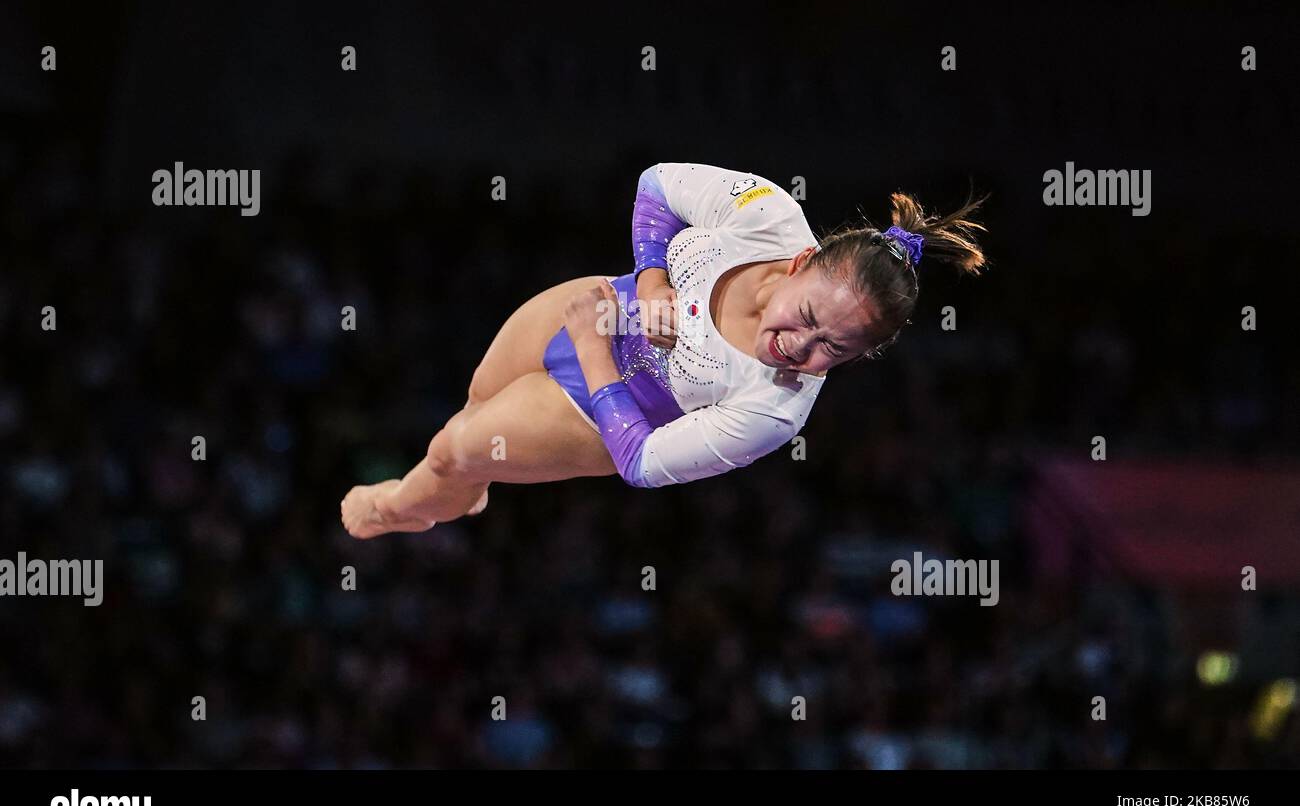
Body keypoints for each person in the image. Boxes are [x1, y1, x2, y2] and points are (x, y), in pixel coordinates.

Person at [341, 162, 987, 538]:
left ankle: (401, 508)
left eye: (831, 351)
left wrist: (596, 352)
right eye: (810, 316)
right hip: (603, 299)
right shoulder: (770, 213)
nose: (800, 345)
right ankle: (468, 485)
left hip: (603, 411)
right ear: (801, 261)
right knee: (476, 399)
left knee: (452, 448)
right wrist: (651, 277)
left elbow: (643, 464)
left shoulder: (774, 411)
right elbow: (655, 186)